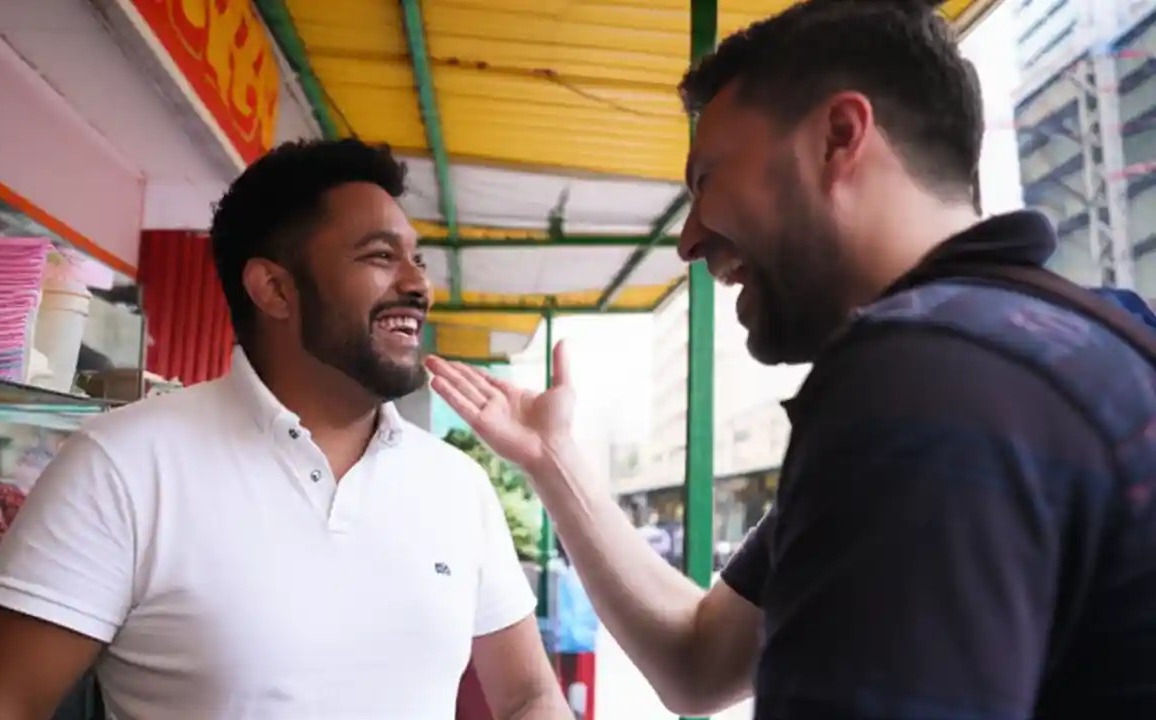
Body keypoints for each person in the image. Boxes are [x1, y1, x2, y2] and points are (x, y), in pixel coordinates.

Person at [426, 0, 1156, 718]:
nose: (689, 240)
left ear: (840, 136)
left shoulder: (924, 380)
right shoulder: (1084, 345)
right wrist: (553, 457)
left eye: (707, 178)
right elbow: (698, 661)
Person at [0, 139, 569, 720]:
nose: (419, 284)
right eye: (381, 256)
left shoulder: (456, 485)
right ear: (274, 289)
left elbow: (528, 697)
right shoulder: (123, 464)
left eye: (417, 260)